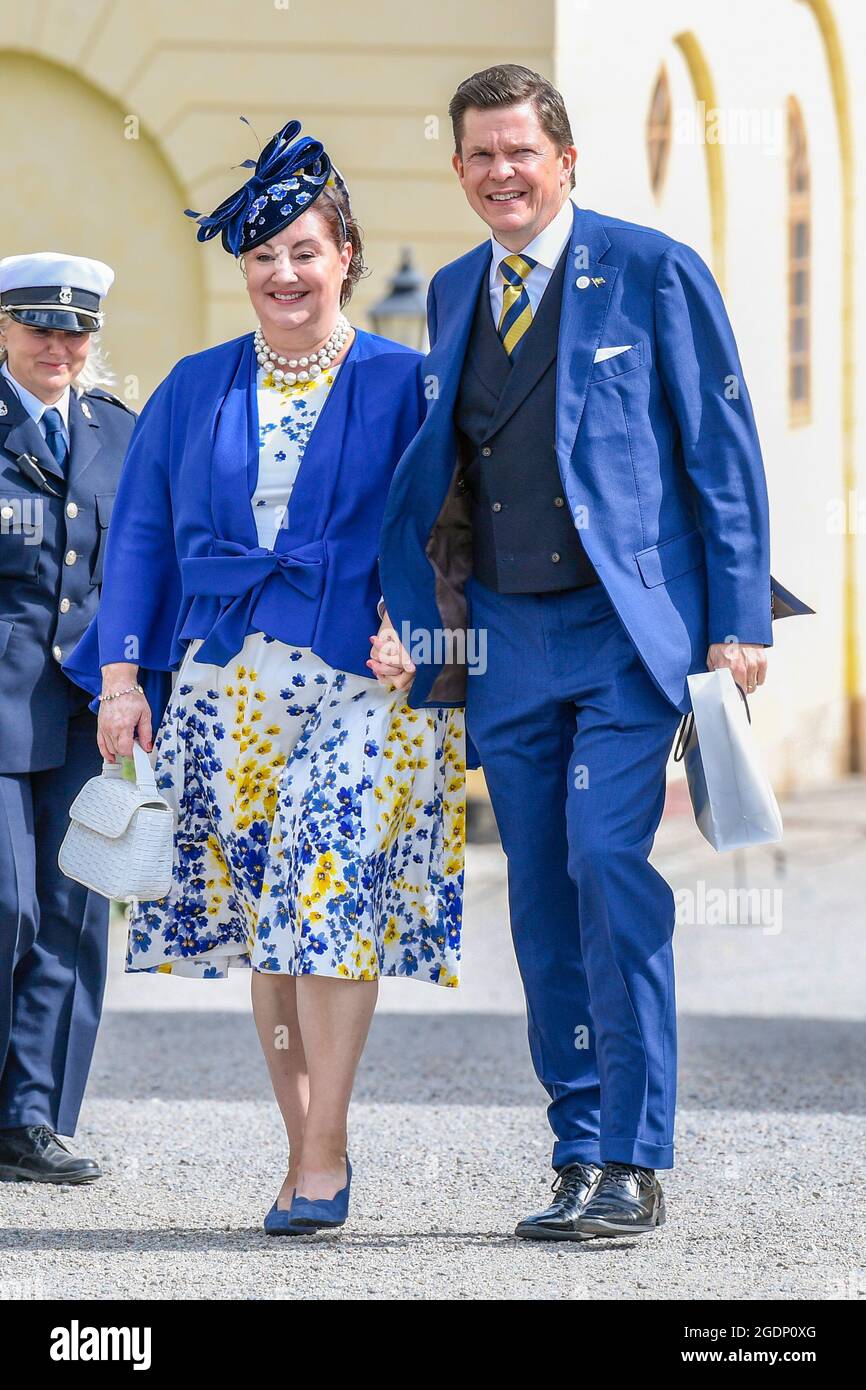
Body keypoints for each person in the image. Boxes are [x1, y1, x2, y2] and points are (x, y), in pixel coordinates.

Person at [374, 65, 808, 1240]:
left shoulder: (654, 271)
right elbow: (445, 473)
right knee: (534, 903)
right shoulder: (457, 288)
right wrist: (420, 624)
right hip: (504, 638)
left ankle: (634, 1154)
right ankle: (574, 1147)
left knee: (605, 866)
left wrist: (736, 620)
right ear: (458, 171)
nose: (501, 173)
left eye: (521, 151)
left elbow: (720, 455)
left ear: (565, 160)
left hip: (624, 634)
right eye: (479, 156)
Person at [63, 120, 466, 1236]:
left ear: (344, 254)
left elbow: (452, 521)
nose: (282, 274)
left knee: (327, 894)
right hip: (223, 690)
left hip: (365, 687)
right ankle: (300, 1150)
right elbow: (139, 539)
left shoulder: (406, 379)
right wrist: (122, 680)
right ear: (242, 269)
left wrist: (424, 625)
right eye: (260, 257)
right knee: (270, 922)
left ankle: (325, 1155)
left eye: (302, 250)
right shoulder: (193, 388)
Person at [0, 252, 134, 1184]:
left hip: (91, 714)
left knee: (71, 916)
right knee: (6, 904)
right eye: (41, 327)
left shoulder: (117, 430)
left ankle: (32, 1117)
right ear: (4, 330)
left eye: (76, 329)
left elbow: (141, 563)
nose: (60, 345)